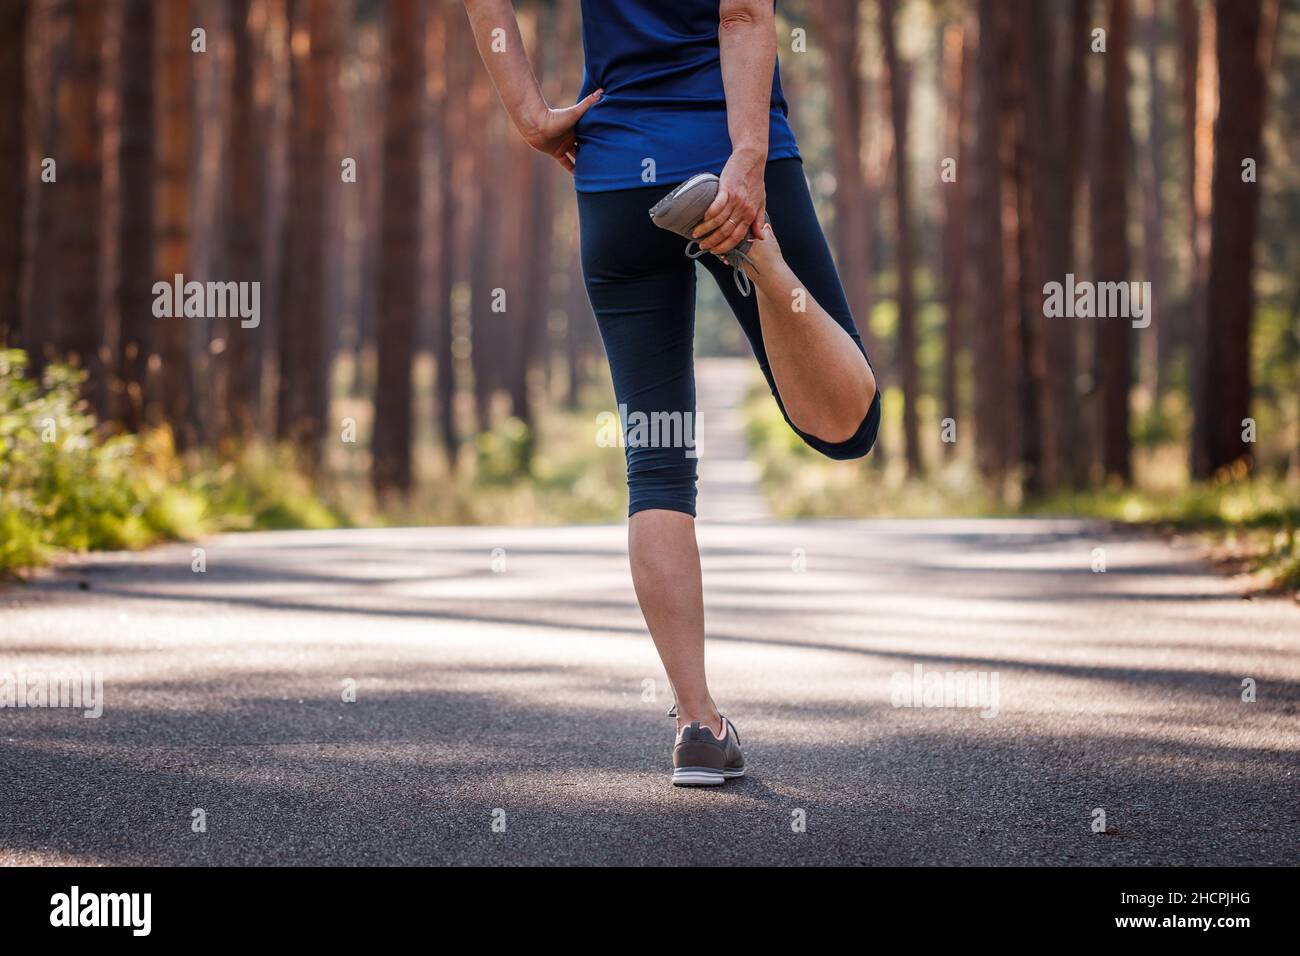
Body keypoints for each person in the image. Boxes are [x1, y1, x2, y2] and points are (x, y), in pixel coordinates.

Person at [464, 0, 880, 786]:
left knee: (656, 466)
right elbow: (743, 14)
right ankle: (760, 258)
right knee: (849, 427)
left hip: (615, 169)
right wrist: (748, 161)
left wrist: (529, 114)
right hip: (720, 156)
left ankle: (697, 723)